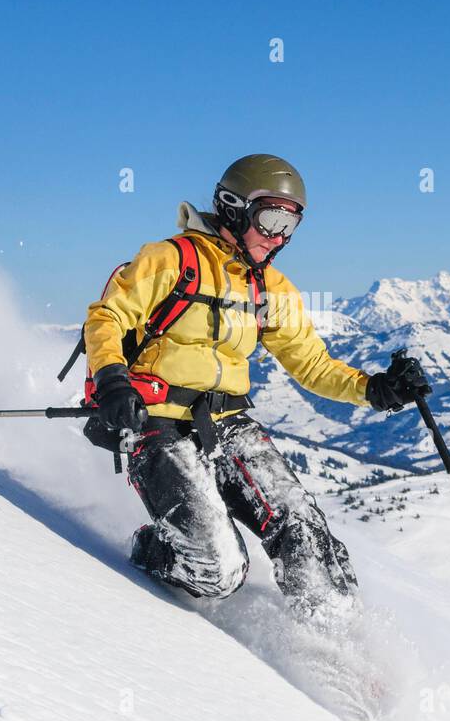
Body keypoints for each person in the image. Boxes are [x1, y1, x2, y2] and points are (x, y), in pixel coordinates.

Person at [83, 154, 430, 619]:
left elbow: (310, 363)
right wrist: (112, 379)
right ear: (232, 207)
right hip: (156, 422)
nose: (279, 237)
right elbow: (108, 316)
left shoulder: (269, 288)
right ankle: (154, 549)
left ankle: (342, 644)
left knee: (306, 536)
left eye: (290, 224)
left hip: (226, 423)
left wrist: (374, 389)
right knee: (219, 570)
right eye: (270, 218)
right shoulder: (171, 260)